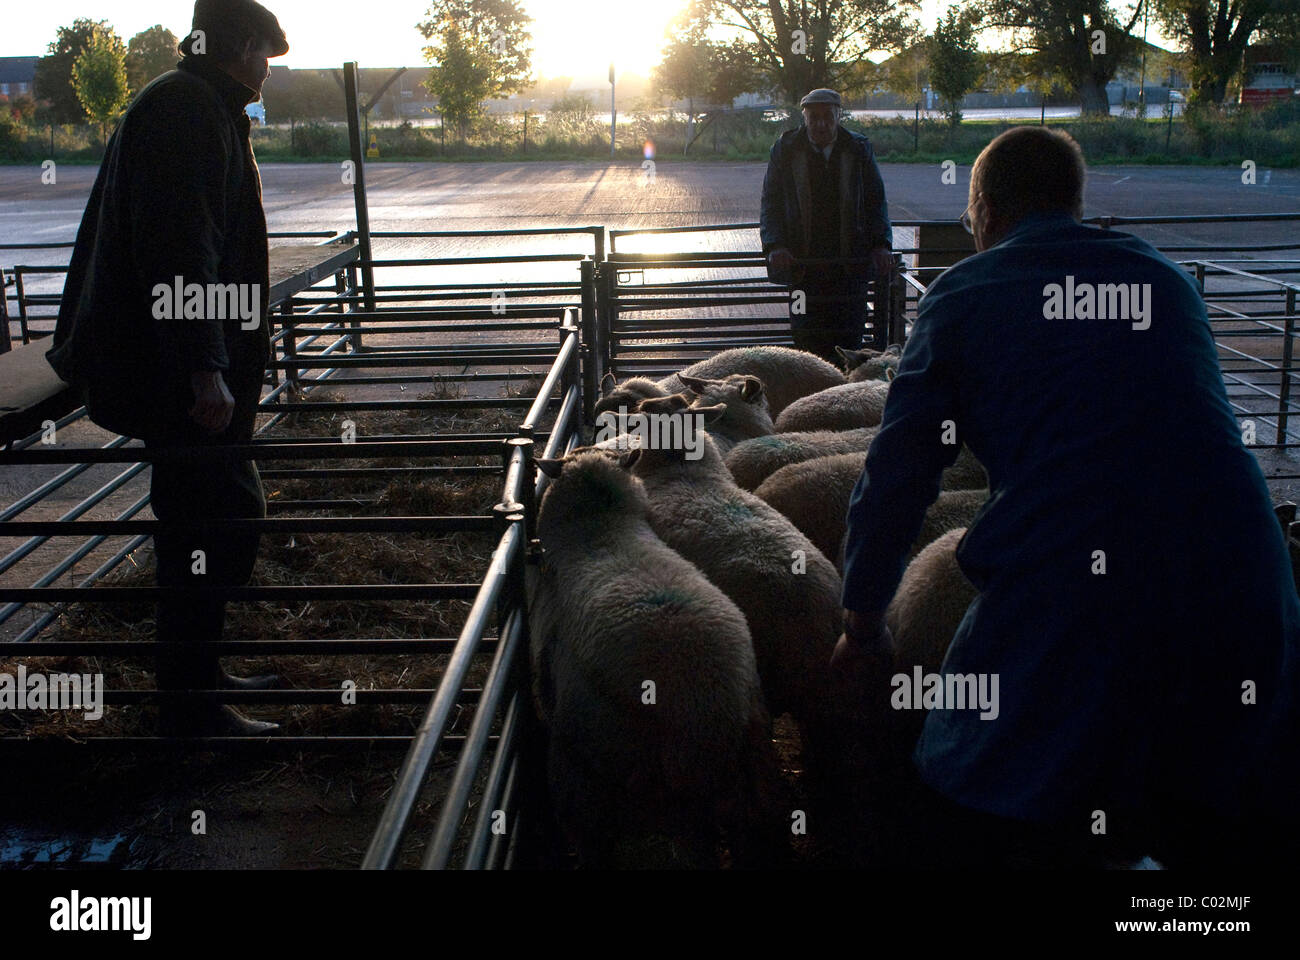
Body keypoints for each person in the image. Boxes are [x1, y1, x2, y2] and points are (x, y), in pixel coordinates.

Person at [832, 126, 1298, 868]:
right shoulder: (1164, 281)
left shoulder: (966, 293)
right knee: (1203, 820)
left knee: (965, 793)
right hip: (1246, 580)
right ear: (1075, 202)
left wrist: (861, 620)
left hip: (1075, 586)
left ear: (982, 210)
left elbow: (900, 471)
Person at [46, 0, 291, 736]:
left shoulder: (192, 103)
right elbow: (180, 247)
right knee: (212, 521)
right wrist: (203, 370)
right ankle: (191, 706)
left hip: (174, 359)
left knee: (205, 516)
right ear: (242, 46)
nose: (267, 73)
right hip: (170, 371)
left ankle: (197, 678)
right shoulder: (187, 111)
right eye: (266, 57)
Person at [759, 88, 893, 363]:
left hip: (849, 264)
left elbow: (875, 201)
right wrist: (775, 245)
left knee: (850, 334)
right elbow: (770, 201)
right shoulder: (784, 149)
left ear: (838, 116)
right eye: (814, 117)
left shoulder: (858, 149)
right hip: (801, 266)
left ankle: (846, 394)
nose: (821, 124)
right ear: (804, 118)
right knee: (805, 336)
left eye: (827, 117)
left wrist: (881, 245)